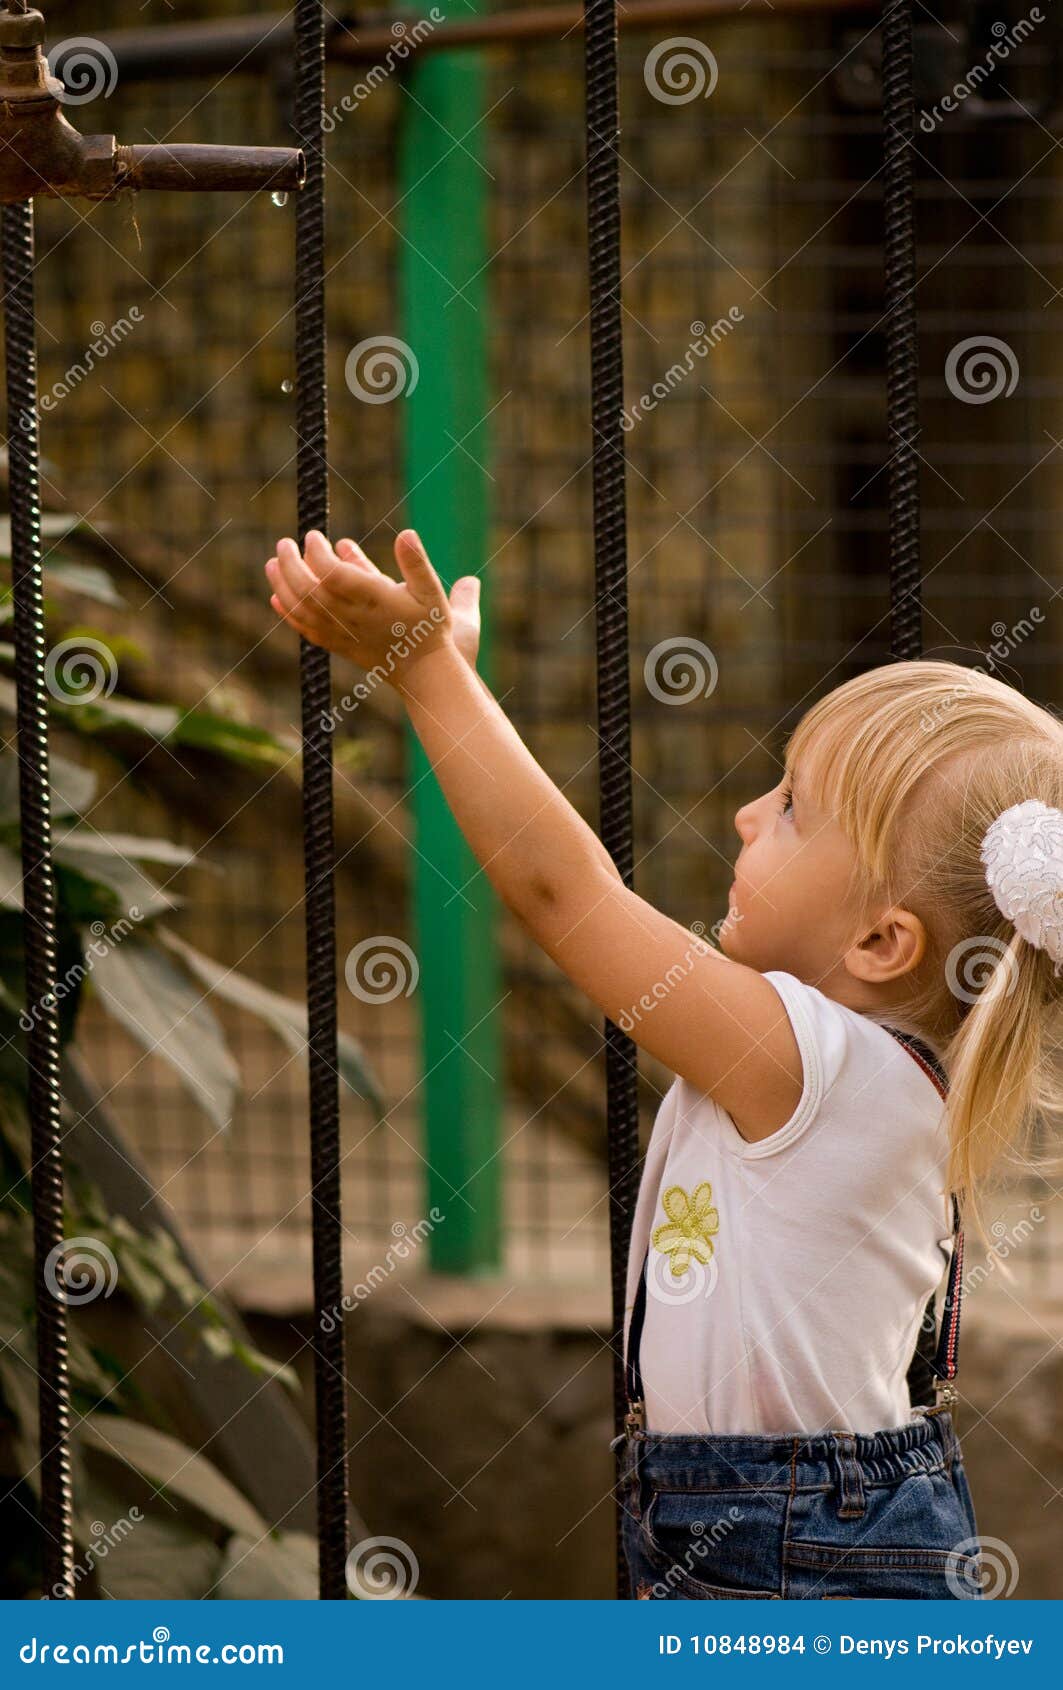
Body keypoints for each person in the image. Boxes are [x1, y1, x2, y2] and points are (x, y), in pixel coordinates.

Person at [265, 528, 1062, 1599]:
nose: (743, 813)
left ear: (881, 942)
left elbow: (565, 893)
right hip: (793, 1525)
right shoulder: (851, 1067)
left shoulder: (808, 1062)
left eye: (788, 809)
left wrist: (426, 673)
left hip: (788, 1548)